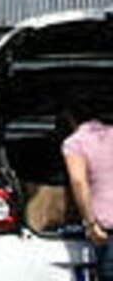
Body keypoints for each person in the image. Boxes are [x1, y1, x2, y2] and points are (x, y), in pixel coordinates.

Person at [64, 104, 113, 276]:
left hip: (107, 228)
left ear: (70, 118)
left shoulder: (75, 142)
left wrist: (90, 224)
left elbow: (78, 181)